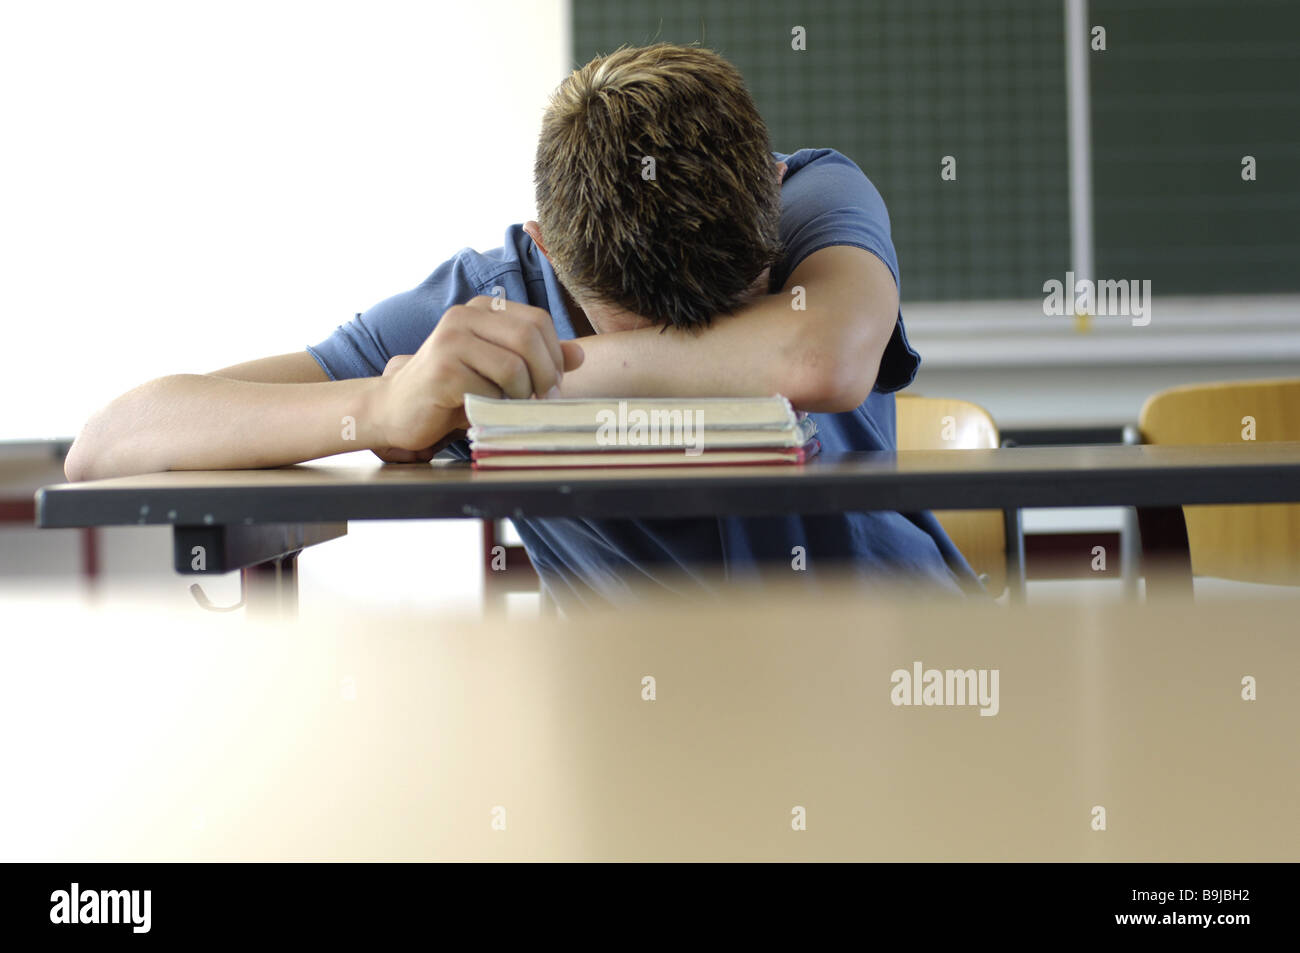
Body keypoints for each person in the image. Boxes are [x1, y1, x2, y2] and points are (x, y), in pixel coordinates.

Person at [66, 43, 981, 608]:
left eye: (724, 311)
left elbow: (825, 355)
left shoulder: (819, 192)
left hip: (898, 650)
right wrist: (384, 408)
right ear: (549, 248)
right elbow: (109, 443)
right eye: (641, 319)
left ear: (772, 194)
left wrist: (520, 392)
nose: (688, 338)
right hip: (662, 722)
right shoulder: (489, 301)